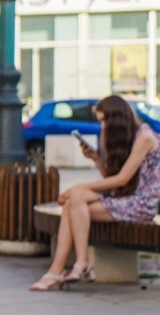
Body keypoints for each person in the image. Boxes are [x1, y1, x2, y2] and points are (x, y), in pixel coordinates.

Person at [31, 94, 160, 289]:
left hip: (143, 203)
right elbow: (114, 180)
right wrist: (96, 159)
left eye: (103, 120)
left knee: (73, 203)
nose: (102, 126)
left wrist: (77, 187)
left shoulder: (145, 136)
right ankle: (75, 265)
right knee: (74, 201)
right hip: (129, 196)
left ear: (115, 119)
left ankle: (61, 270)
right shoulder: (128, 136)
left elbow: (122, 179)